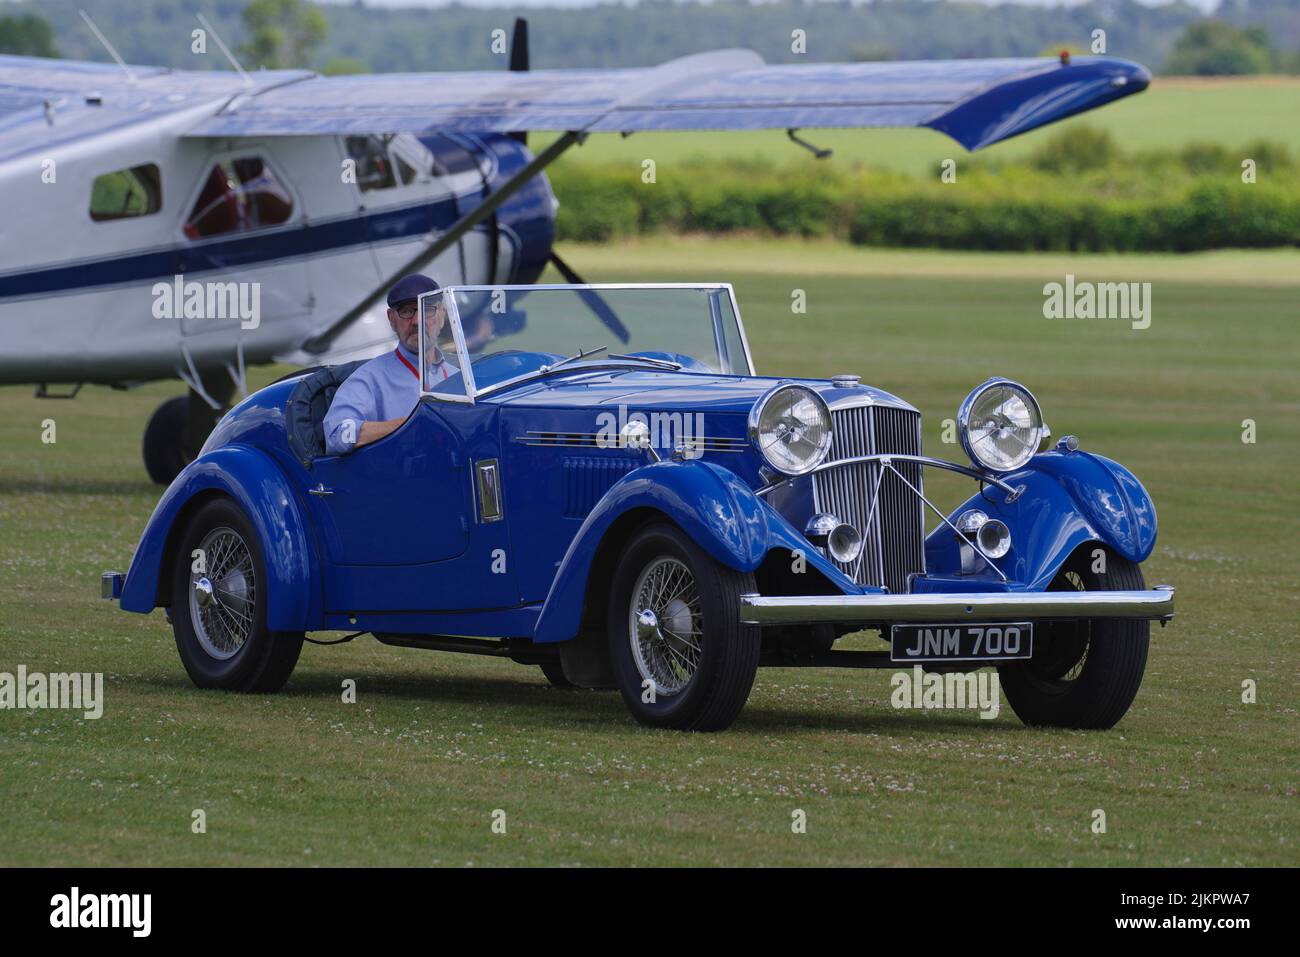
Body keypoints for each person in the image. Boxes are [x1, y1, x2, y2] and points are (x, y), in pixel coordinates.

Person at [323, 274, 458, 455]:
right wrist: (411, 425)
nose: (417, 321)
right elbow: (336, 434)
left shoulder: (460, 377)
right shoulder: (368, 379)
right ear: (391, 319)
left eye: (427, 309)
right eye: (407, 311)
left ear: (442, 315)